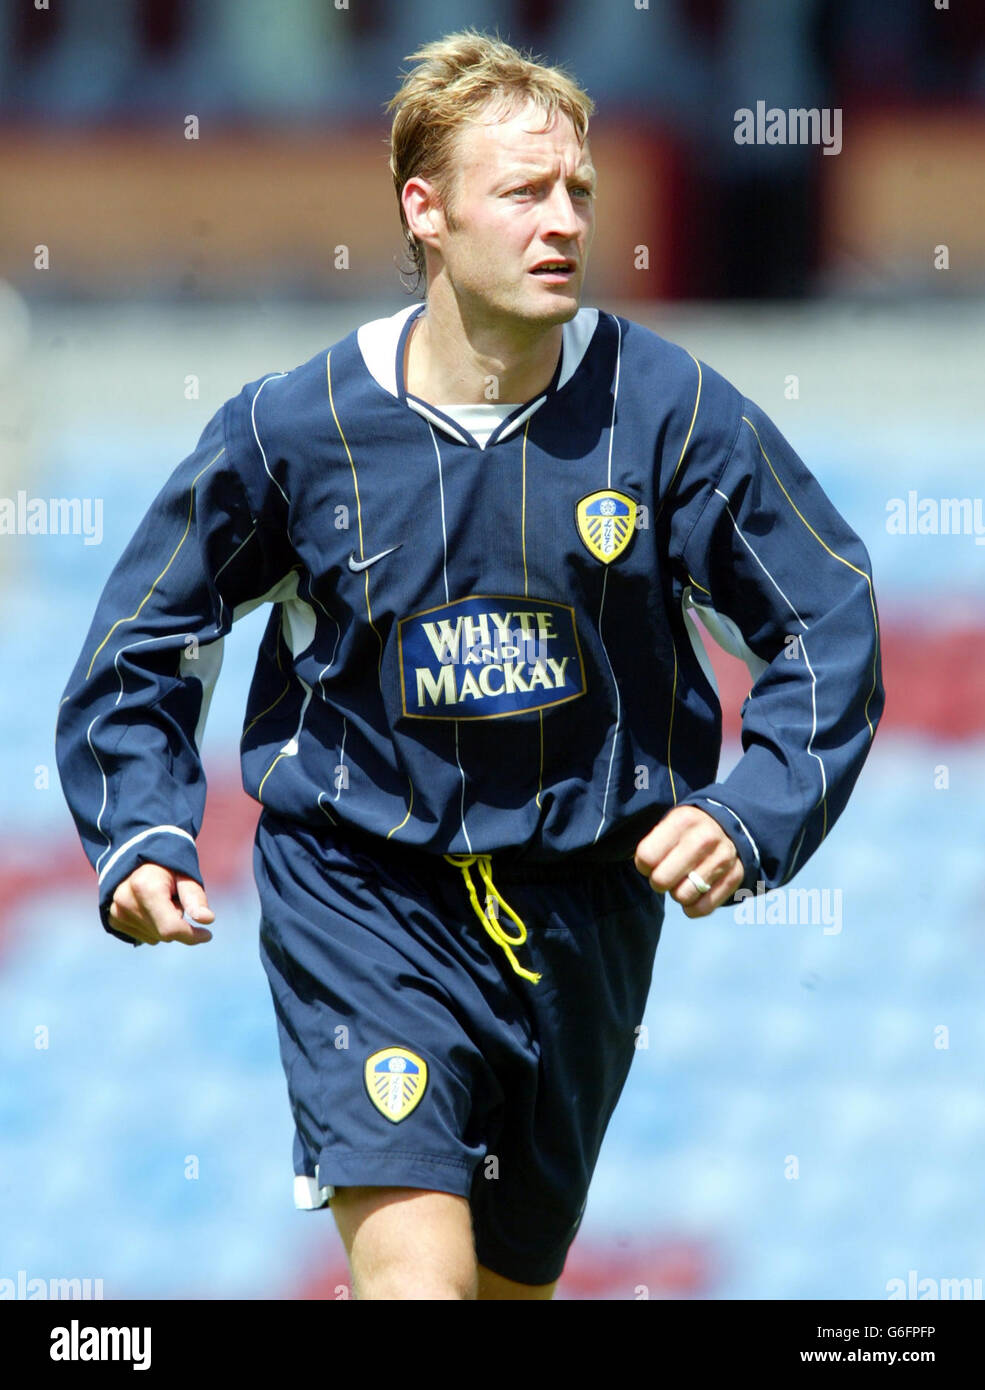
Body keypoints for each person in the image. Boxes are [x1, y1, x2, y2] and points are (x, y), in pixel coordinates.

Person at [55, 30, 884, 1301]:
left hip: (584, 915)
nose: (563, 223)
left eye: (580, 196)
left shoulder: (670, 413)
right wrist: (143, 830)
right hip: (364, 894)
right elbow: (144, 637)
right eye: (523, 194)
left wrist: (750, 811)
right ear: (424, 210)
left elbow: (826, 619)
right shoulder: (298, 427)